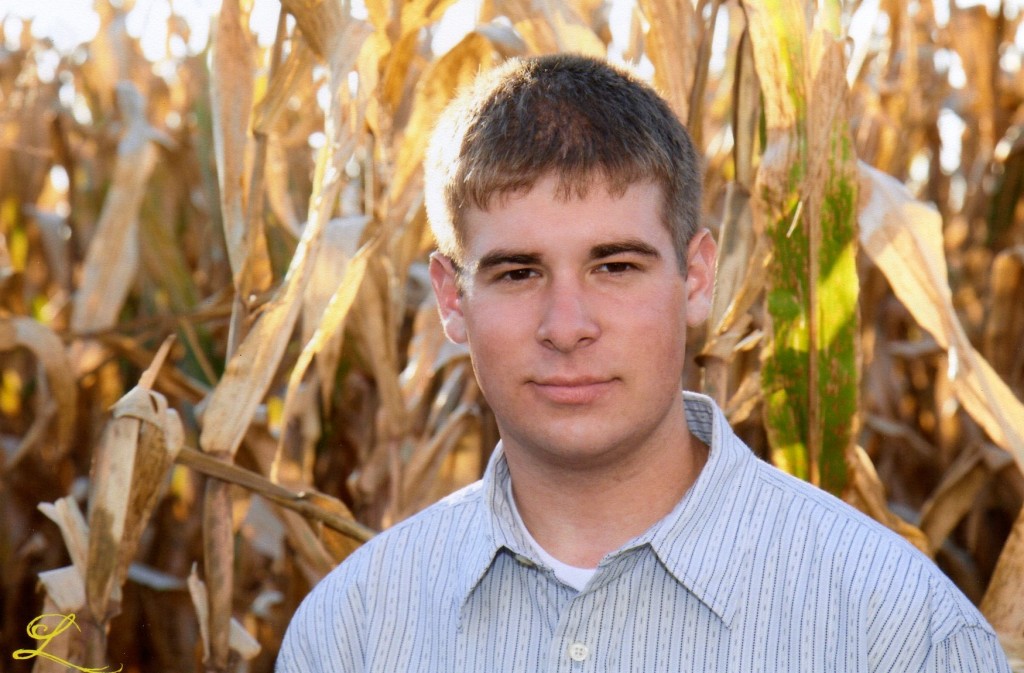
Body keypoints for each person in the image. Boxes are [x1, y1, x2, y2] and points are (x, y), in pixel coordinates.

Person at [276, 54, 1011, 672]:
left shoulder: (899, 633)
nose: (567, 327)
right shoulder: (350, 636)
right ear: (451, 299)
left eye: (616, 266)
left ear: (696, 279)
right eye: (517, 273)